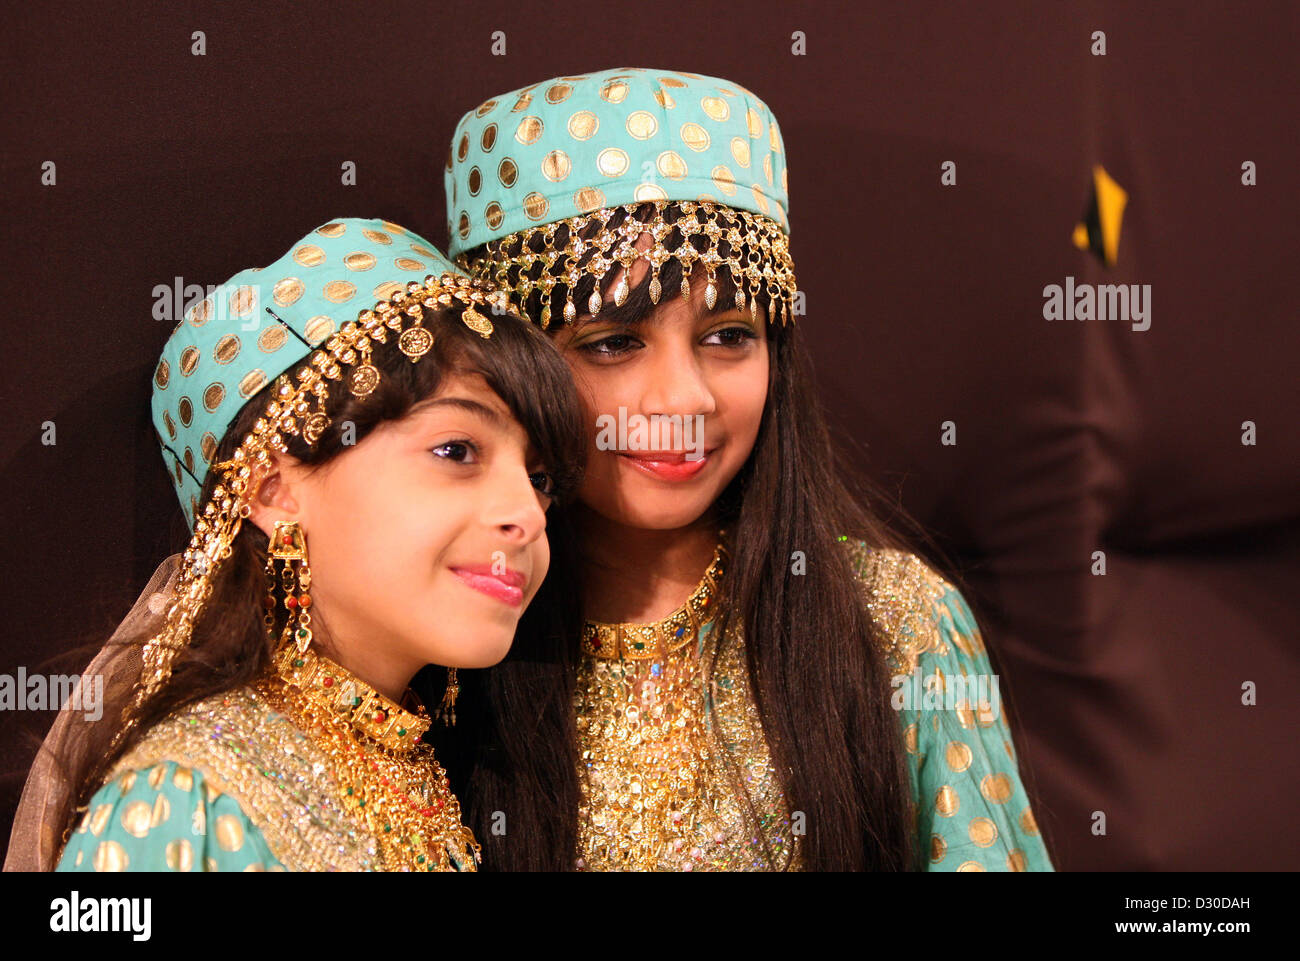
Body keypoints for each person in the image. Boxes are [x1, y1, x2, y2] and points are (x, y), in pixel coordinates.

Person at [437, 68, 1055, 871]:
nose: (684, 397)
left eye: (729, 335)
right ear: (511, 369)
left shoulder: (899, 632)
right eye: (615, 343)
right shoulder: (444, 639)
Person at [5, 217, 584, 871]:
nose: (528, 517)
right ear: (275, 491)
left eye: (539, 479)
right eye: (456, 450)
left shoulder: (418, 770)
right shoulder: (188, 802)